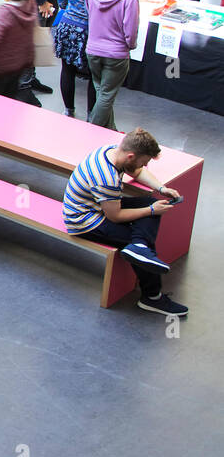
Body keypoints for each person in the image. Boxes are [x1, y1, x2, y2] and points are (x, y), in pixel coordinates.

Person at [63, 128, 187, 317]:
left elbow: (137, 172)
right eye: (144, 161)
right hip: (83, 220)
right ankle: (152, 297)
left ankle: (139, 246)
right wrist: (151, 211)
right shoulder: (106, 178)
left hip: (97, 206)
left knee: (151, 204)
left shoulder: (112, 151)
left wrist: (162, 188)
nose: (144, 165)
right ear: (131, 156)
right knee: (141, 235)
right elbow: (115, 216)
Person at [85, 0, 141, 130]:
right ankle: (90, 131)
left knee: (102, 92)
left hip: (92, 49)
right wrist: (130, 45)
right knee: (106, 95)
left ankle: (111, 131)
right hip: (116, 54)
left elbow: (89, 12)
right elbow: (130, 30)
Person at [52, 0, 101, 118]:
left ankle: (68, 110)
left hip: (66, 26)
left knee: (67, 69)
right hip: (86, 30)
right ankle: (90, 114)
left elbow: (62, 2)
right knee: (93, 74)